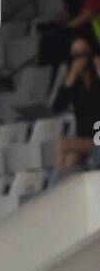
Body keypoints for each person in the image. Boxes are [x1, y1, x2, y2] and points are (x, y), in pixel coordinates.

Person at [49, 38, 100, 182]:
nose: (78, 60)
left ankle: (50, 193)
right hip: (86, 140)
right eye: (74, 55)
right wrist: (71, 76)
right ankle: (60, 195)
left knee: (63, 144)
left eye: (81, 54)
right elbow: (57, 107)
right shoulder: (75, 83)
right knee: (70, 159)